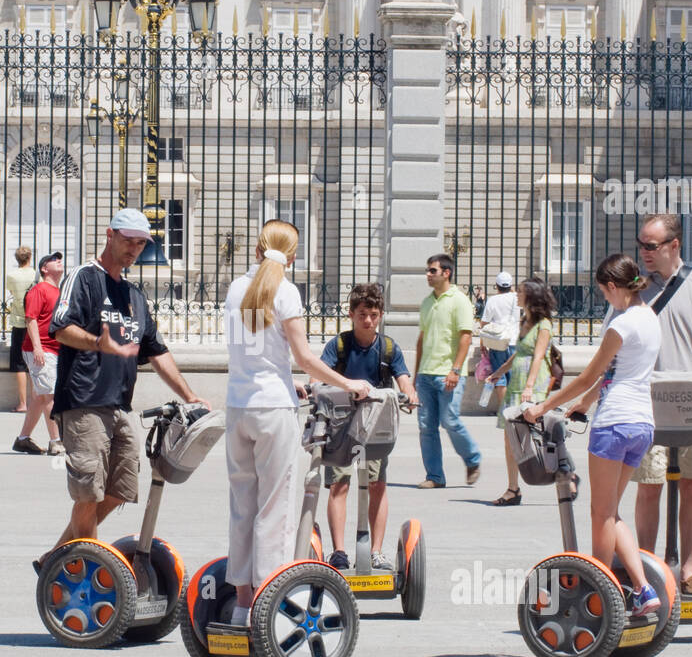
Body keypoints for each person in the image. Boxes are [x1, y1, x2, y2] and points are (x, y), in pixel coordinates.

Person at [34, 209, 206, 572]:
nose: (134, 249)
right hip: (83, 402)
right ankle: (87, 572)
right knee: (88, 491)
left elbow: (156, 351)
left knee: (121, 488)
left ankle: (56, 557)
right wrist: (100, 342)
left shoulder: (134, 295)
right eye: (128, 240)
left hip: (118, 405)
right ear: (109, 234)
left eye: (141, 243)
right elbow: (60, 328)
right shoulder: (84, 277)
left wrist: (190, 396)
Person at [223, 220, 371, 626]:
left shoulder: (236, 289)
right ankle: (267, 605)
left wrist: (290, 383)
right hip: (274, 411)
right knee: (276, 509)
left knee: (242, 506)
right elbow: (304, 358)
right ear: (292, 255)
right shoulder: (286, 292)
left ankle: (240, 605)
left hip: (238, 407)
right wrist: (349, 383)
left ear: (257, 247)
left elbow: (252, 355)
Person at [525, 254, 662, 619]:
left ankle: (602, 597)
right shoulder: (650, 319)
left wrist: (542, 407)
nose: (605, 299)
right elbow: (612, 377)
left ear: (614, 287)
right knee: (613, 512)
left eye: (605, 292)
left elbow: (590, 375)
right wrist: (583, 404)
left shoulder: (622, 325)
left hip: (614, 423)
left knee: (600, 514)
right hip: (642, 425)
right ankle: (643, 589)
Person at [626, 213, 692, 599]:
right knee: (649, 487)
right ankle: (644, 565)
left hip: (691, 400)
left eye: (650, 246)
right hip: (647, 401)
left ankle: (688, 570)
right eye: (641, 244)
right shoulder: (635, 288)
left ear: (674, 246)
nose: (643, 252)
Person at [319, 282, 416, 571]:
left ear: (381, 315)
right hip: (339, 424)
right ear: (351, 314)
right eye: (362, 314)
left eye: (374, 314)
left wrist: (410, 394)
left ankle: (375, 551)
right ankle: (338, 551)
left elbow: (404, 378)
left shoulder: (387, 348)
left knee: (377, 485)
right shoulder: (338, 345)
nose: (368, 320)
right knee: (338, 484)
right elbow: (318, 374)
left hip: (375, 423)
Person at [486, 277, 574, 505]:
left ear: (532, 296)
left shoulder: (544, 325)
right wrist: (499, 372)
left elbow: (538, 356)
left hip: (533, 385)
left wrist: (529, 386)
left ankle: (567, 471)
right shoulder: (526, 320)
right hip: (517, 383)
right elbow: (519, 353)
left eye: (521, 291)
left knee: (540, 434)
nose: (516, 293)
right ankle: (513, 488)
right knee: (510, 436)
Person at [415, 253, 482, 489]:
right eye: (427, 270)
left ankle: (473, 458)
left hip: (449, 374)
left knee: (450, 420)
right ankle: (435, 476)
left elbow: (466, 337)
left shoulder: (460, 300)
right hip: (426, 374)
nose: (428, 275)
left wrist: (455, 370)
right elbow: (421, 340)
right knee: (426, 427)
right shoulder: (426, 303)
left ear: (446, 273)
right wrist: (415, 376)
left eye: (432, 271)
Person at [13, 251, 65, 455]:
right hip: (41, 349)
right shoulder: (39, 290)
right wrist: (37, 348)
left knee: (39, 397)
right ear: (44, 269)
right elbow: (31, 319)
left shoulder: (59, 291)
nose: (59, 261)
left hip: (54, 349)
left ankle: (23, 439)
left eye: (60, 259)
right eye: (54, 260)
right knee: (50, 395)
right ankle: (56, 441)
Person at [5, 246, 37, 413]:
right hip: (34, 324)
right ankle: (35, 402)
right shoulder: (36, 275)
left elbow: (11, 291)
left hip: (19, 322)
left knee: (19, 365)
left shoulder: (11, 275)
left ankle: (23, 403)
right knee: (34, 363)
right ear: (30, 258)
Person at [480, 271, 520, 390]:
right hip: (514, 340)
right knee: (514, 378)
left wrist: (482, 342)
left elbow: (484, 323)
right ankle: (514, 407)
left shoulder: (493, 300)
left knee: (499, 377)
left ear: (496, 286)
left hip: (497, 341)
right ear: (510, 286)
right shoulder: (517, 298)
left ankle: (503, 408)